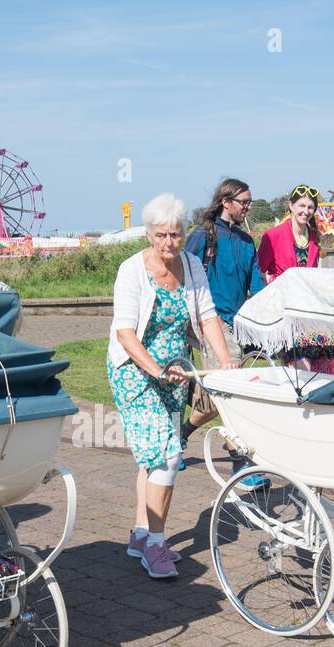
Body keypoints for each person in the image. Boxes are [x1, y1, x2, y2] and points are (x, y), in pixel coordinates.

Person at [109, 193, 237, 579]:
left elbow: (209, 316)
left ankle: (141, 534)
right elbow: (126, 333)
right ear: (149, 234)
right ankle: (157, 545)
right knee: (166, 456)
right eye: (162, 235)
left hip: (177, 371)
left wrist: (225, 360)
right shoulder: (131, 271)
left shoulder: (193, 266)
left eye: (176, 235)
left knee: (156, 454)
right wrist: (156, 370)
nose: (170, 243)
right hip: (136, 370)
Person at [182, 177, 269, 489]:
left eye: (249, 202)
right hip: (209, 321)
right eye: (243, 201)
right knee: (232, 392)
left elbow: (256, 286)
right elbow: (182, 273)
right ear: (225, 201)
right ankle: (239, 466)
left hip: (237, 324)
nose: (247, 207)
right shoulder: (202, 236)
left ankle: (180, 436)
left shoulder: (246, 242)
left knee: (213, 397)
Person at [256, 184, 334, 375]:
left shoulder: (313, 238)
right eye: (301, 206)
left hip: (309, 310)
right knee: (300, 367)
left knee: (326, 364)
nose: (306, 211)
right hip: (285, 311)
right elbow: (259, 270)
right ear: (291, 206)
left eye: (310, 207)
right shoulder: (273, 236)